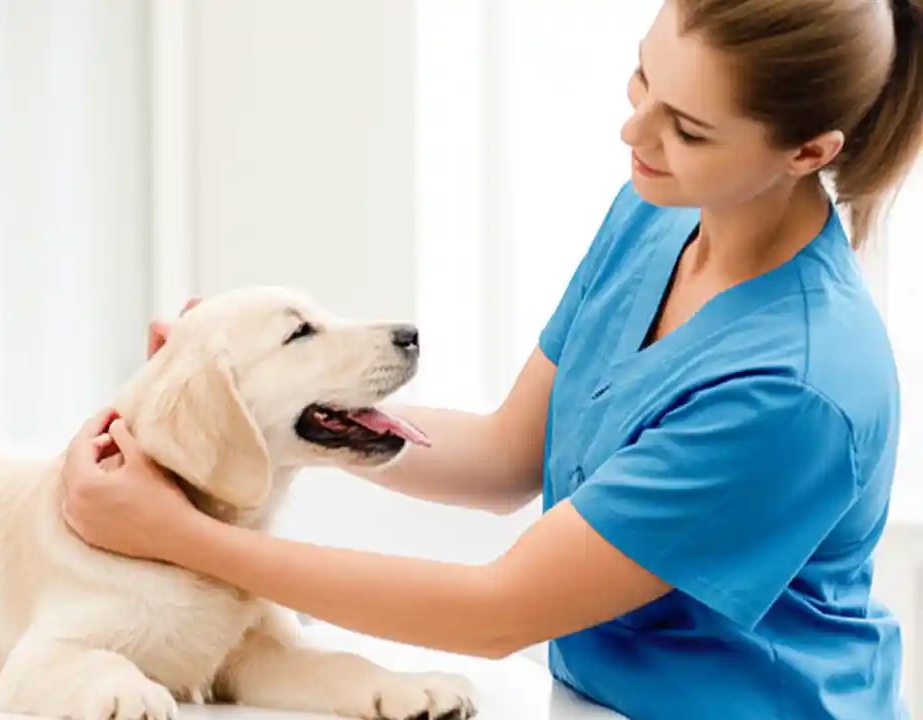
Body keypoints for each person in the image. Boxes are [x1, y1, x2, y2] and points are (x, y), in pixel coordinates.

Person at [60, 1, 923, 717]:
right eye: (643, 77)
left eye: (687, 128)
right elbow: (509, 455)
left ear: (808, 152)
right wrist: (272, 412)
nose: (635, 130)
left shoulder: (796, 389)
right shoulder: (660, 212)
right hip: (590, 699)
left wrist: (176, 534)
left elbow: (497, 612)